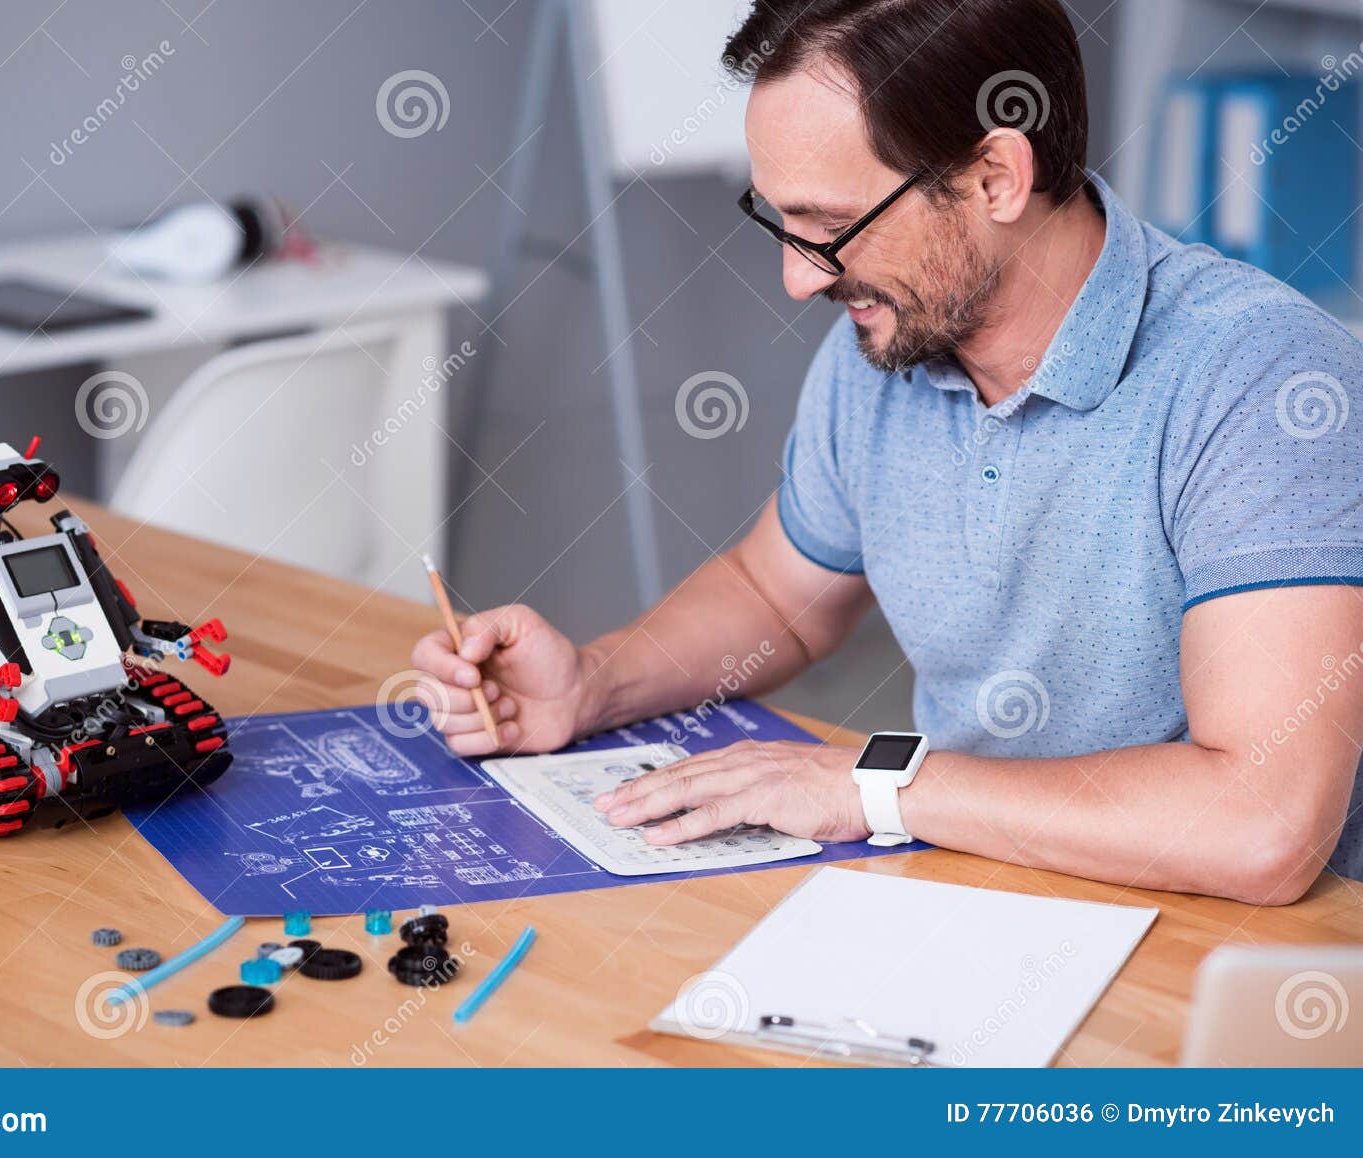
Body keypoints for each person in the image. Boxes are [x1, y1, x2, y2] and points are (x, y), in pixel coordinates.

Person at [411, 0, 1363, 905]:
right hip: (979, 887)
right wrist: (593, 683)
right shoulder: (886, 347)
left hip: (1219, 944)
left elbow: (1263, 825)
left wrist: (874, 786)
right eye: (780, 222)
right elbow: (776, 596)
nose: (798, 279)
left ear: (996, 177)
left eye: (832, 228)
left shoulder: (1263, 378)